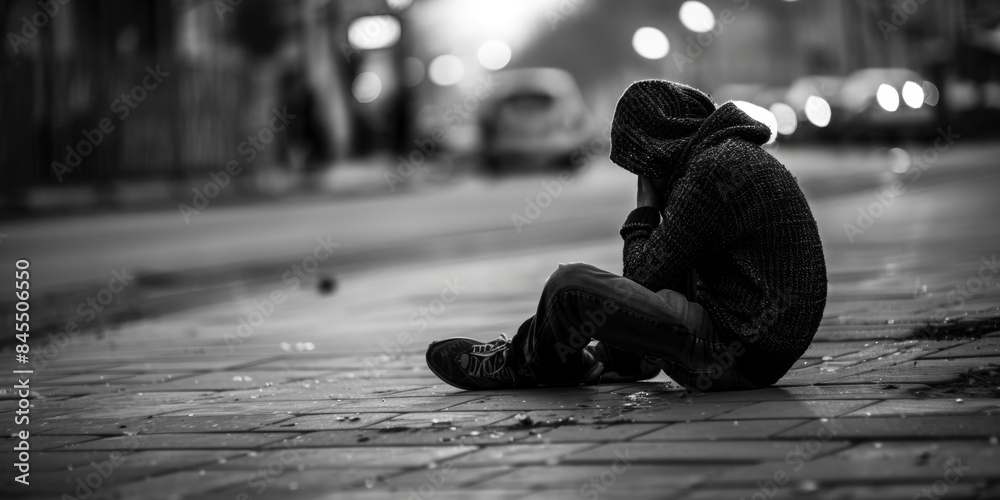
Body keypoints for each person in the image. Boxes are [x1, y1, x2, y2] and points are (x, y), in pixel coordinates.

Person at [425, 80, 827, 392]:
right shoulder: (728, 154)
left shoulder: (713, 170)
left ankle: (521, 363)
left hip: (734, 355)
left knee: (569, 286)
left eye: (639, 164)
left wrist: (644, 207)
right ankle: (617, 358)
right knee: (675, 254)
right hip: (755, 348)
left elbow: (640, 276)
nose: (641, 175)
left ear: (656, 147)